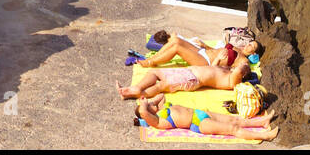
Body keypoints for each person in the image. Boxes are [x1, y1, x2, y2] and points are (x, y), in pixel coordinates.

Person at [133, 93, 278, 141]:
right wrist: (143, 104)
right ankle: (265, 136)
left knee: (235, 119)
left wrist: (149, 102)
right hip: (197, 123)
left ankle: (263, 121)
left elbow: (161, 96)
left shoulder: (161, 109)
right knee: (232, 128)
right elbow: (144, 113)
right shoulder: (156, 121)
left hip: (199, 113)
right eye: (145, 108)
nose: (148, 105)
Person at [117, 55, 253, 98]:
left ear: (243, 75)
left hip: (191, 79)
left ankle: (132, 93)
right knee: (154, 72)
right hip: (188, 73)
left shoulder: (233, 80)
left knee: (161, 86)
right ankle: (137, 88)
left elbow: (239, 70)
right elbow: (212, 68)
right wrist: (218, 59)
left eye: (243, 71)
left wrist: (245, 66)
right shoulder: (227, 71)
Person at [137, 31, 260, 70]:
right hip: (203, 52)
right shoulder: (236, 48)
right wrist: (205, 45)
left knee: (176, 48)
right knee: (175, 40)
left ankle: (150, 63)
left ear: (253, 53)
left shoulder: (243, 61)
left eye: (252, 47)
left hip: (206, 62)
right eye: (250, 43)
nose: (248, 45)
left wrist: (218, 62)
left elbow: (234, 73)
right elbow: (215, 49)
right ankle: (152, 58)